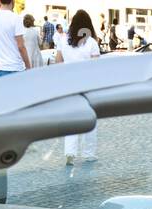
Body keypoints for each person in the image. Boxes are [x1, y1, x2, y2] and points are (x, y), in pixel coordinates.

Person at [55, 9, 98, 164]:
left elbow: (58, 61)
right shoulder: (91, 42)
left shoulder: (63, 39)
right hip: (87, 85)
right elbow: (96, 68)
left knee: (70, 118)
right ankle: (89, 153)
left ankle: (70, 152)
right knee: (90, 118)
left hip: (67, 84)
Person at [0, 0, 29, 76]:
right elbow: (21, 46)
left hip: (0, 66)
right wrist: (28, 66)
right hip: (16, 67)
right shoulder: (16, 18)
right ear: (12, 1)